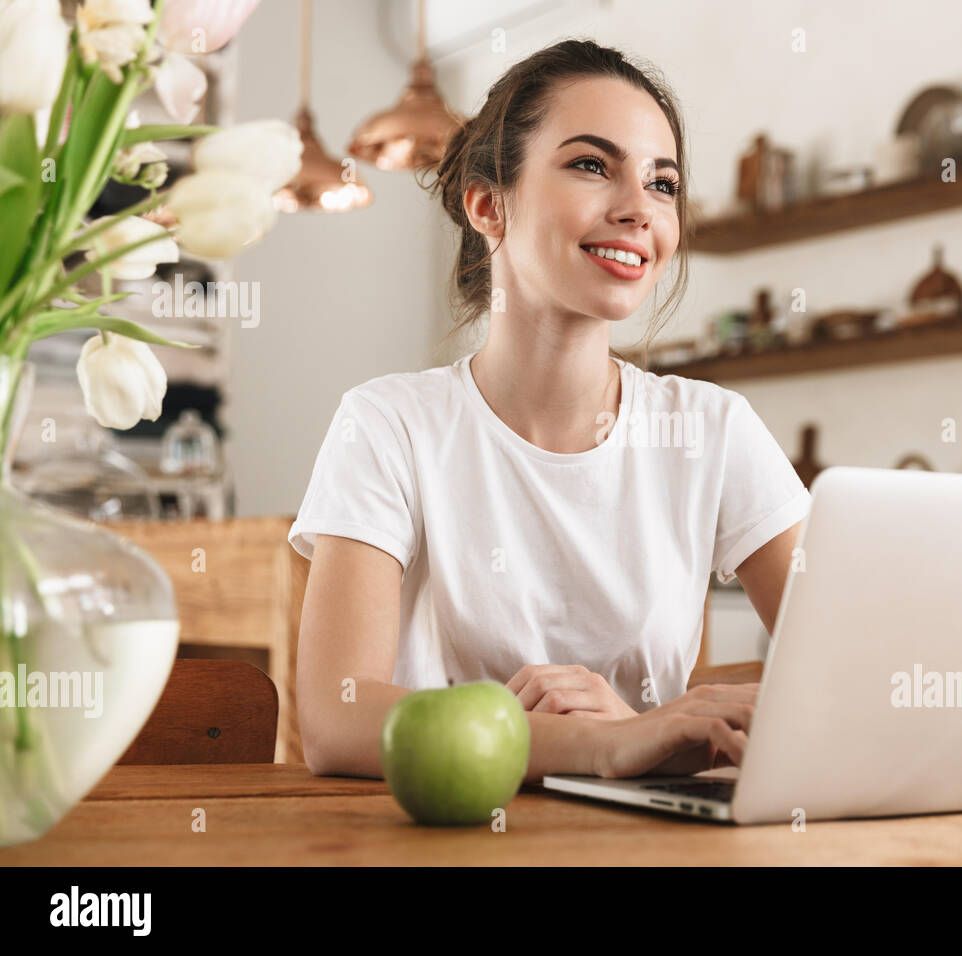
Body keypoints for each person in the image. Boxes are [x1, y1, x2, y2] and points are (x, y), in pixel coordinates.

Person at [289, 39, 809, 782]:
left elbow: (851, 676)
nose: (638, 210)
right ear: (487, 205)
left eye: (662, 184)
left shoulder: (713, 429)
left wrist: (646, 731)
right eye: (592, 166)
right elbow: (336, 722)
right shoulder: (388, 425)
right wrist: (604, 746)